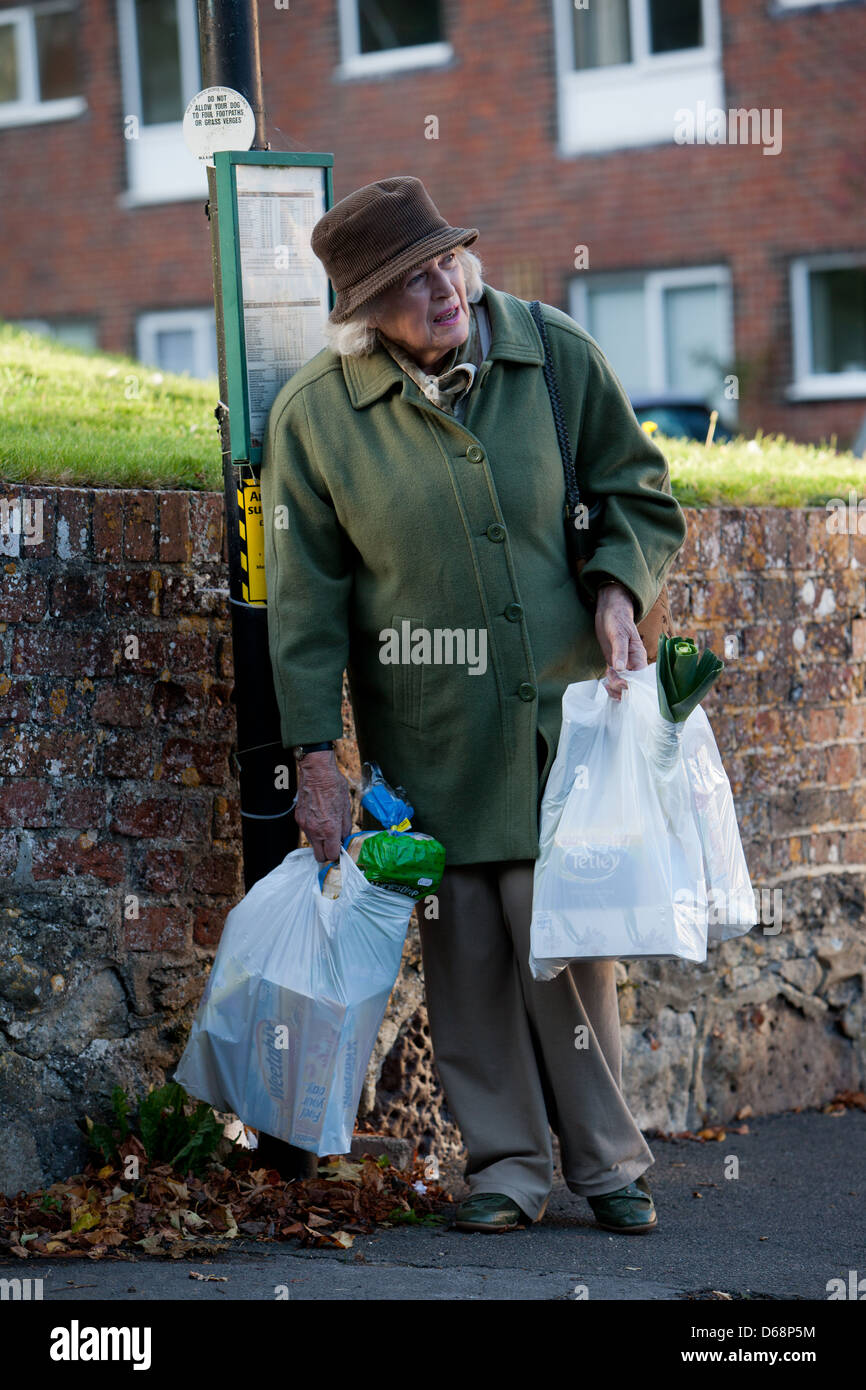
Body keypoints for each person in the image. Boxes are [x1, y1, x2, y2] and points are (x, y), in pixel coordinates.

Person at [261, 176, 687, 1234]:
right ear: (364, 315)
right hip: (428, 728)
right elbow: (305, 605)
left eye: (442, 260)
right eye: (406, 283)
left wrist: (614, 588)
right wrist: (315, 756)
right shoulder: (318, 417)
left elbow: (637, 490)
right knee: (465, 950)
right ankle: (502, 1164)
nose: (438, 287)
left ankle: (605, 1161)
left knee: (564, 937)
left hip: (556, 717)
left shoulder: (549, 352)